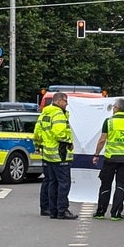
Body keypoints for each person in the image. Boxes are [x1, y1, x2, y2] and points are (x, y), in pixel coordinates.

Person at [91, 99, 124, 221]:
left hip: (110, 158)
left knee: (105, 185)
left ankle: (101, 212)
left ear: (116, 108)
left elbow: (102, 140)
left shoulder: (109, 122)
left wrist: (96, 154)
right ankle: (116, 213)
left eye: (113, 107)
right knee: (120, 186)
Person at [34, 92, 77, 220]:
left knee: (51, 182)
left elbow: (37, 133)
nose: (67, 104)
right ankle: (62, 210)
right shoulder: (58, 114)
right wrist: (68, 141)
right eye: (65, 101)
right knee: (64, 183)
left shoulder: (45, 113)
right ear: (59, 101)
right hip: (60, 153)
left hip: (48, 154)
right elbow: (59, 133)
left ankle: (52, 210)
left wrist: (39, 146)